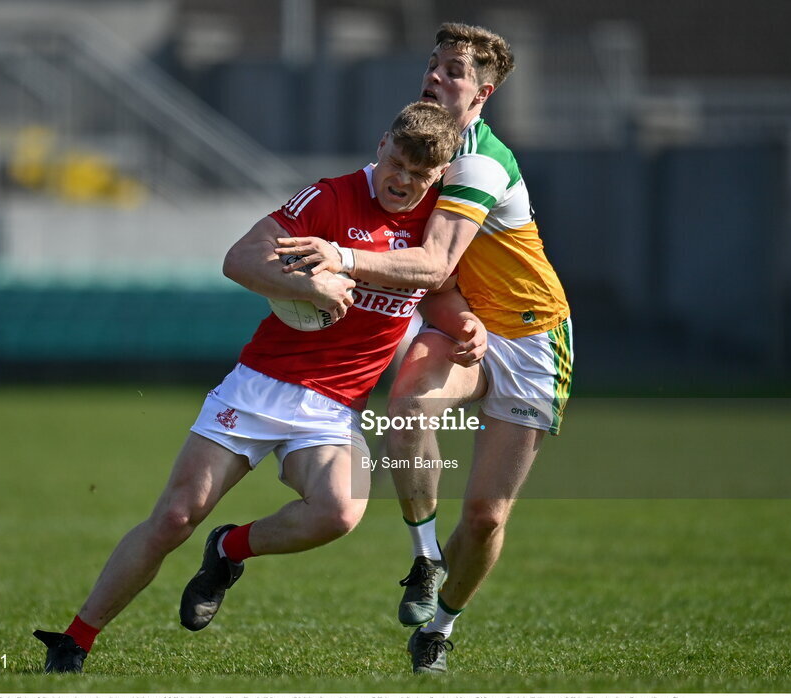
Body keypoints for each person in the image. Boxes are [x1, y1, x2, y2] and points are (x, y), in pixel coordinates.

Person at [32, 102, 483, 673]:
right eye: (396, 162)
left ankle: (228, 550)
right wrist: (308, 285)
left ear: (440, 174)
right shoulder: (329, 197)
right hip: (259, 387)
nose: (402, 181)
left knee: (339, 513)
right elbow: (239, 258)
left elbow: (435, 284)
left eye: (419, 175)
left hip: (333, 409)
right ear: (381, 145)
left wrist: (467, 321)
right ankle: (74, 641)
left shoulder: (438, 227)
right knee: (174, 517)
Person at [276, 23, 572, 674]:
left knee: (488, 516)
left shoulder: (478, 164)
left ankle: (441, 626)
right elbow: (433, 282)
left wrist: (341, 258)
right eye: (434, 66)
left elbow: (433, 262)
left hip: (529, 337)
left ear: (484, 93)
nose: (437, 77)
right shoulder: (419, 151)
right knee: (406, 410)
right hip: (466, 323)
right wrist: (455, 313)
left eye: (456, 71)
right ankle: (425, 557)